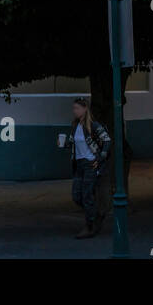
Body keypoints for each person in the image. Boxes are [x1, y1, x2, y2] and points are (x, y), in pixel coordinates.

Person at [61, 97, 111, 238]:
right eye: (73, 108)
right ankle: (97, 215)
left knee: (87, 195)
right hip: (78, 165)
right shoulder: (75, 126)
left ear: (85, 109)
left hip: (90, 164)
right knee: (77, 196)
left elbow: (107, 140)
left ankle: (89, 227)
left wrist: (100, 157)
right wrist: (63, 144)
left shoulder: (93, 126)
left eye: (77, 108)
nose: (74, 111)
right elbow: (72, 144)